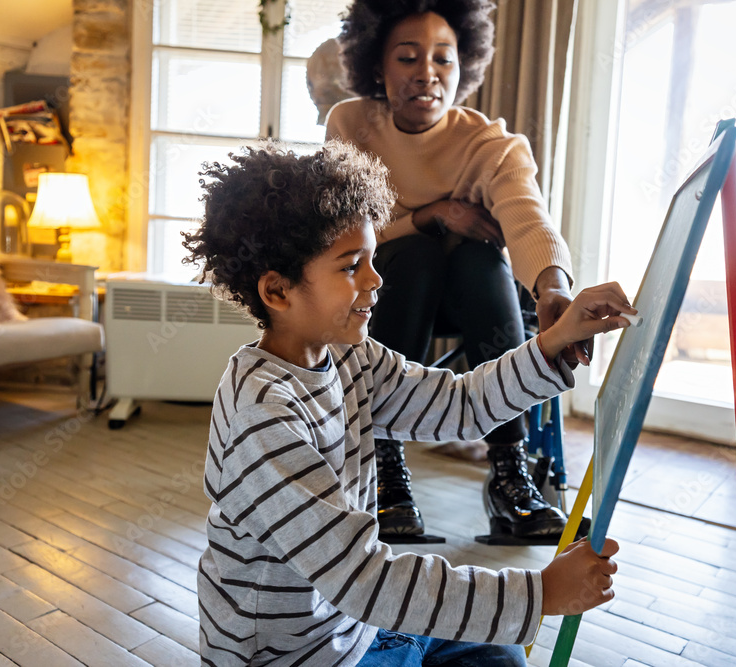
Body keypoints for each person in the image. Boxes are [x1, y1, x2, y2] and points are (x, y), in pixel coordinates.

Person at [183, 140, 632, 666]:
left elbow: (460, 404)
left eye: (372, 259)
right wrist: (541, 592)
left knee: (499, 653)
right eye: (351, 266)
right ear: (278, 292)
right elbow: (361, 578)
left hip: (355, 626)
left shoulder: (350, 356)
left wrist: (552, 343)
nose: (375, 279)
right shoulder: (262, 416)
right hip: (296, 657)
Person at [327, 0, 585, 539]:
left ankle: (509, 470)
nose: (427, 73)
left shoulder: (490, 144)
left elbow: (527, 218)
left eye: (443, 59)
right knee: (418, 252)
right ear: (378, 66)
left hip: (473, 300)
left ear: (462, 66)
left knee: (479, 256)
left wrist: (552, 288)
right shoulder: (350, 125)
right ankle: (384, 466)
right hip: (387, 293)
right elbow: (342, 235)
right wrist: (430, 217)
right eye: (408, 57)